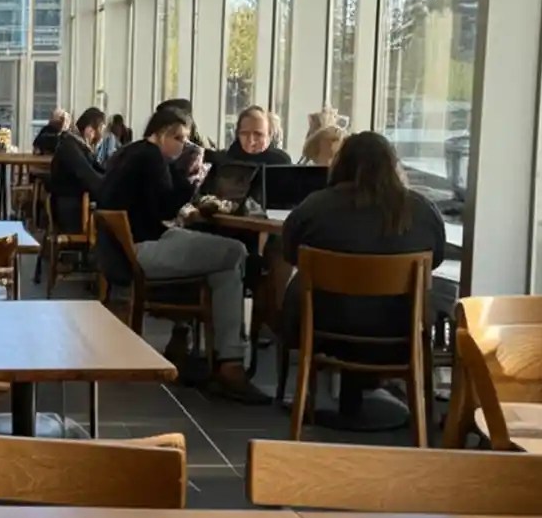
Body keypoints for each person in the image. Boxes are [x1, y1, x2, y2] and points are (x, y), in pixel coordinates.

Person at [98, 107, 269, 404]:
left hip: (124, 249)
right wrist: (192, 178)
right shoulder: (151, 157)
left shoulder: (130, 153)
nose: (182, 145)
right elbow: (166, 206)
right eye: (178, 137)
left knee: (224, 265)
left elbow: (155, 203)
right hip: (143, 249)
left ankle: (220, 355)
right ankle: (228, 363)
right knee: (235, 251)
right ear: (162, 133)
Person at [280, 132, 446, 354]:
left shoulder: (314, 207)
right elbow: (436, 259)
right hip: (400, 330)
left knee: (300, 282)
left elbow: (290, 253)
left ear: (341, 163)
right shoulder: (423, 211)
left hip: (323, 330)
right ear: (392, 166)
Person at [49, 108, 107, 234]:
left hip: (74, 205)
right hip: (71, 210)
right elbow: (89, 177)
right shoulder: (70, 147)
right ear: (90, 130)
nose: (99, 137)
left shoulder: (76, 145)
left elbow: (98, 171)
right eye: (100, 131)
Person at [222, 106, 291, 166]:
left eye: (258, 134)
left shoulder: (281, 162)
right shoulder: (225, 161)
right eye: (244, 133)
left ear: (269, 135)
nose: (251, 141)